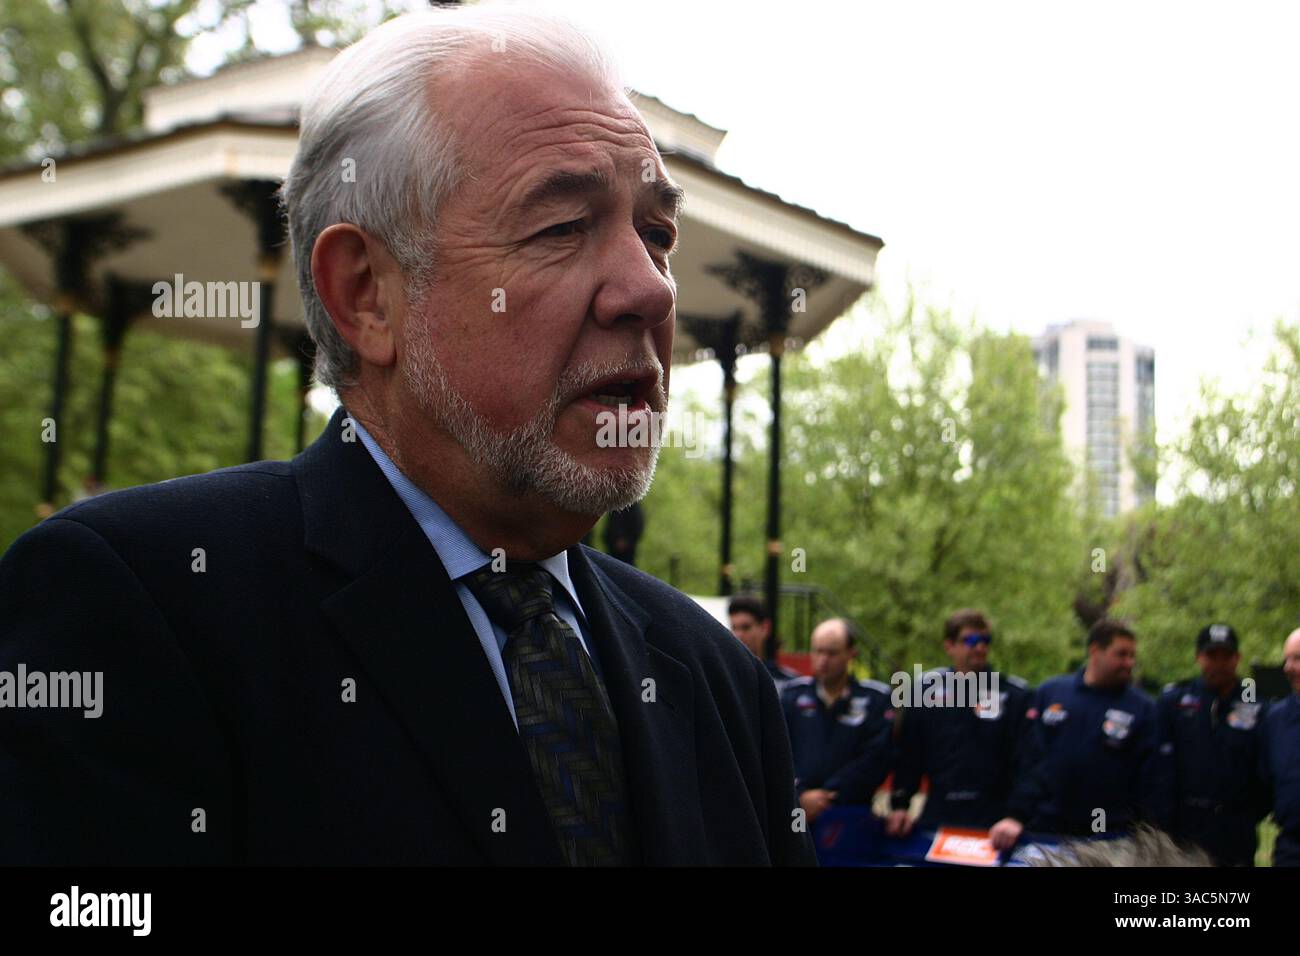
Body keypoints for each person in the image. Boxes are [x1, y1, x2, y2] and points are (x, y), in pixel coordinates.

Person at [0, 7, 813, 867]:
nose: (649, 292)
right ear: (366, 296)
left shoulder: (716, 677)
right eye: (562, 228)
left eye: (658, 235)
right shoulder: (136, 610)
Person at [990, 619, 1166, 850]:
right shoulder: (1051, 693)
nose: (1129, 663)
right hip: (1045, 829)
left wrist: (1149, 833)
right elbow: (1029, 761)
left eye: (1132, 656)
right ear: (1095, 650)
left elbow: (1152, 781)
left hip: (1106, 832)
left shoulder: (1142, 707)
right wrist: (1016, 815)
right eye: (1121, 654)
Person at [887, 609, 1032, 835]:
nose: (979, 647)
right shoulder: (926, 691)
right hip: (939, 812)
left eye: (985, 640)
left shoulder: (1014, 695)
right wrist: (900, 805)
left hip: (995, 819)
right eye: (970, 640)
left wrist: (1016, 815)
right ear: (949, 646)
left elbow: (1028, 761)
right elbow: (909, 755)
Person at [1155, 624, 1267, 866]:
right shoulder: (1174, 702)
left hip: (1235, 831)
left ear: (1237, 658)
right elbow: (1159, 768)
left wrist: (1246, 815)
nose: (1218, 663)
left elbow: (1265, 774)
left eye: (1225, 656)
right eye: (1211, 655)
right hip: (1184, 830)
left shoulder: (1257, 708)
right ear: (1198, 657)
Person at [781, 618, 893, 826]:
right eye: (817, 651)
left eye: (831, 653)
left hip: (851, 813)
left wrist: (827, 795)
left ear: (851, 654)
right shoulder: (792, 696)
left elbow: (876, 756)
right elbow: (778, 751)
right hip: (798, 811)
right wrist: (801, 793)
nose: (823, 660)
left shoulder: (875, 699)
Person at [1261, 627, 1300, 866]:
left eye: (1297, 659)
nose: (1288, 667)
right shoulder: (1276, 718)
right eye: (1287, 659)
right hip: (1291, 848)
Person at [728, 593, 798, 693]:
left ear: (765, 628)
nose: (738, 635)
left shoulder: (788, 683)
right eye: (734, 628)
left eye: (746, 627)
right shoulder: (724, 678)